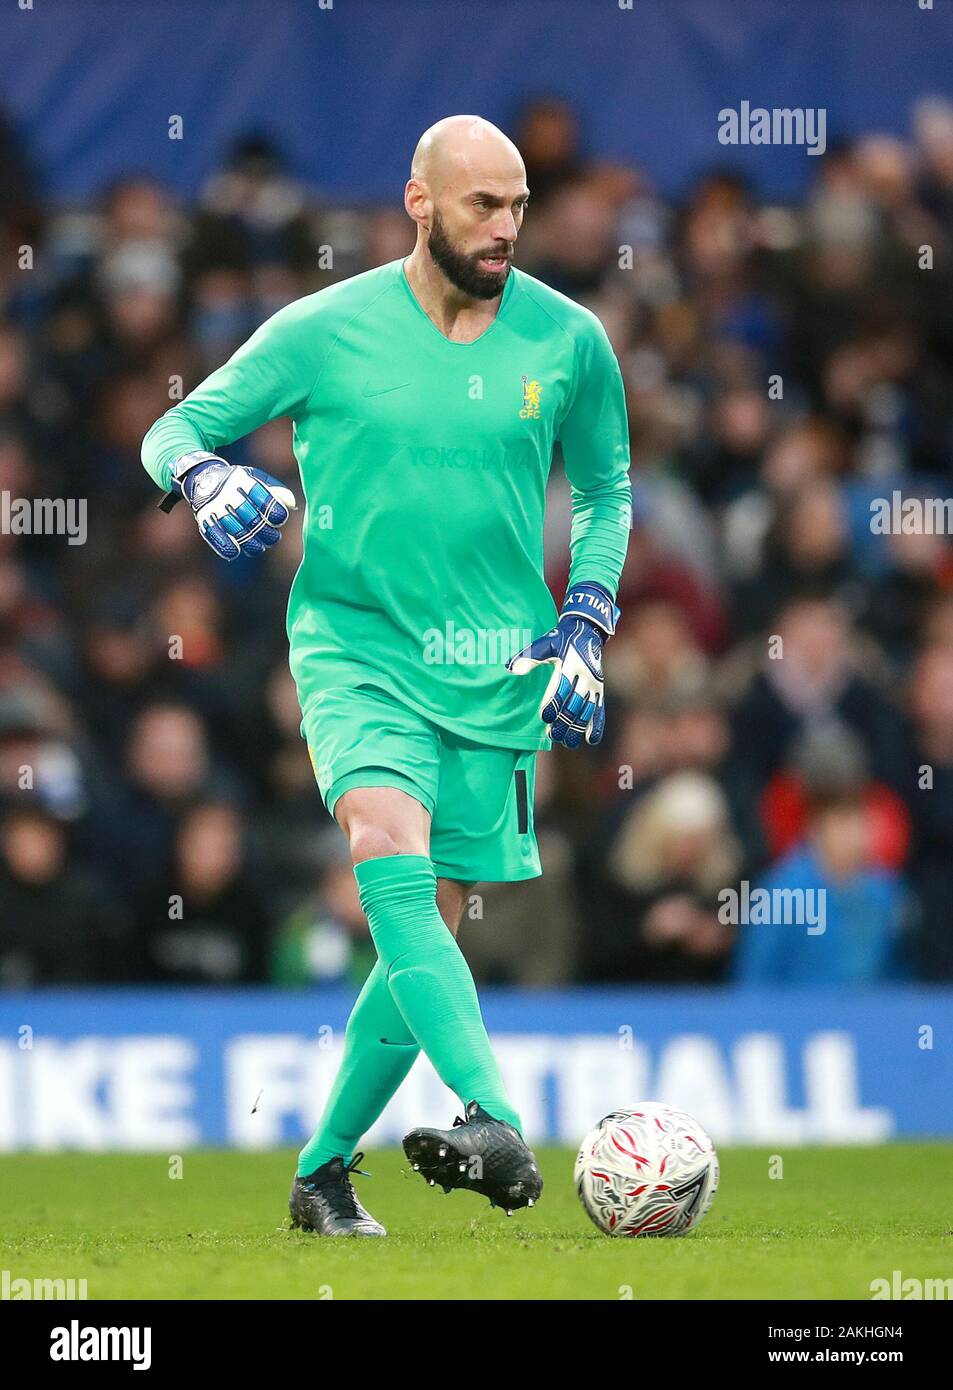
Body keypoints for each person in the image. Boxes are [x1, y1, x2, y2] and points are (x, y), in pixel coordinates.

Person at [141, 115, 631, 1236]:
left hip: (498, 664)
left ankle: (320, 1174)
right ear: (419, 202)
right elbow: (175, 427)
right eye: (481, 206)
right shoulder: (324, 329)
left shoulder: (568, 342)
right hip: (357, 650)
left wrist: (585, 623)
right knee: (384, 850)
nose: (506, 228)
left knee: (432, 927)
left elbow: (606, 493)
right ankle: (493, 1114)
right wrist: (206, 478)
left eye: (516, 206)